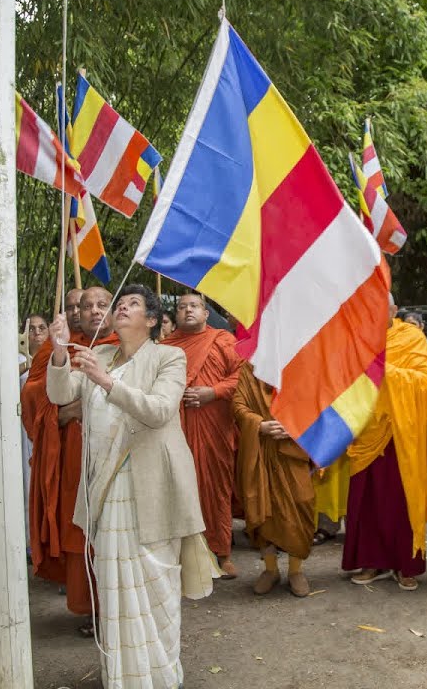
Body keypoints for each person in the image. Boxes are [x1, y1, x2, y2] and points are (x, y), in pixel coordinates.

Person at [46, 284, 214, 688]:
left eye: (131, 304)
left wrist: (105, 381)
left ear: (152, 320)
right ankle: (123, 678)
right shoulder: (99, 353)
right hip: (105, 487)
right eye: (119, 305)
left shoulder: (168, 356)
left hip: (153, 487)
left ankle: (160, 677)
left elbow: (158, 411)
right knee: (114, 583)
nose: (121, 309)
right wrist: (59, 351)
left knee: (155, 584)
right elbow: (60, 393)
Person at [23, 286, 118, 633]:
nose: (86, 311)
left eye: (96, 305)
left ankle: (122, 608)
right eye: (79, 305)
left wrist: (86, 405)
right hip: (72, 453)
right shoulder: (57, 347)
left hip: (114, 449)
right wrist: (61, 414)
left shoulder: (127, 346)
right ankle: (92, 608)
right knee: (82, 527)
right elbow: (35, 396)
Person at [343, 295, 427, 591]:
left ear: (394, 311)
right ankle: (372, 562)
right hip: (367, 429)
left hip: (402, 433)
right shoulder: (357, 339)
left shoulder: (410, 336)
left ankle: (405, 563)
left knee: (400, 501)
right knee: (367, 502)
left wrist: (385, 369)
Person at [159, 292, 243, 579]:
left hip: (214, 427)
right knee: (179, 489)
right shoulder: (165, 347)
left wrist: (213, 392)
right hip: (175, 429)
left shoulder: (223, 340)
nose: (187, 311)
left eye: (194, 306)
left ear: (206, 313)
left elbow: (242, 375)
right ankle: (184, 557)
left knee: (214, 487)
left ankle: (221, 552)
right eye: (181, 307)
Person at [233, 361, 316, 597]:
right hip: (261, 448)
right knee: (261, 504)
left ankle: (295, 571)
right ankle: (270, 569)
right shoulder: (249, 369)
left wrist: (295, 425)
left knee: (301, 503)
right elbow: (238, 405)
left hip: (294, 448)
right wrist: (260, 425)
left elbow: (314, 402)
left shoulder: (300, 364)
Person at [19, 313, 49, 550]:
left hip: (47, 432)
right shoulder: (12, 362)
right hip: (19, 437)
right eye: (31, 329)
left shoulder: (58, 356)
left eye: (42, 328)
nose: (37, 334)